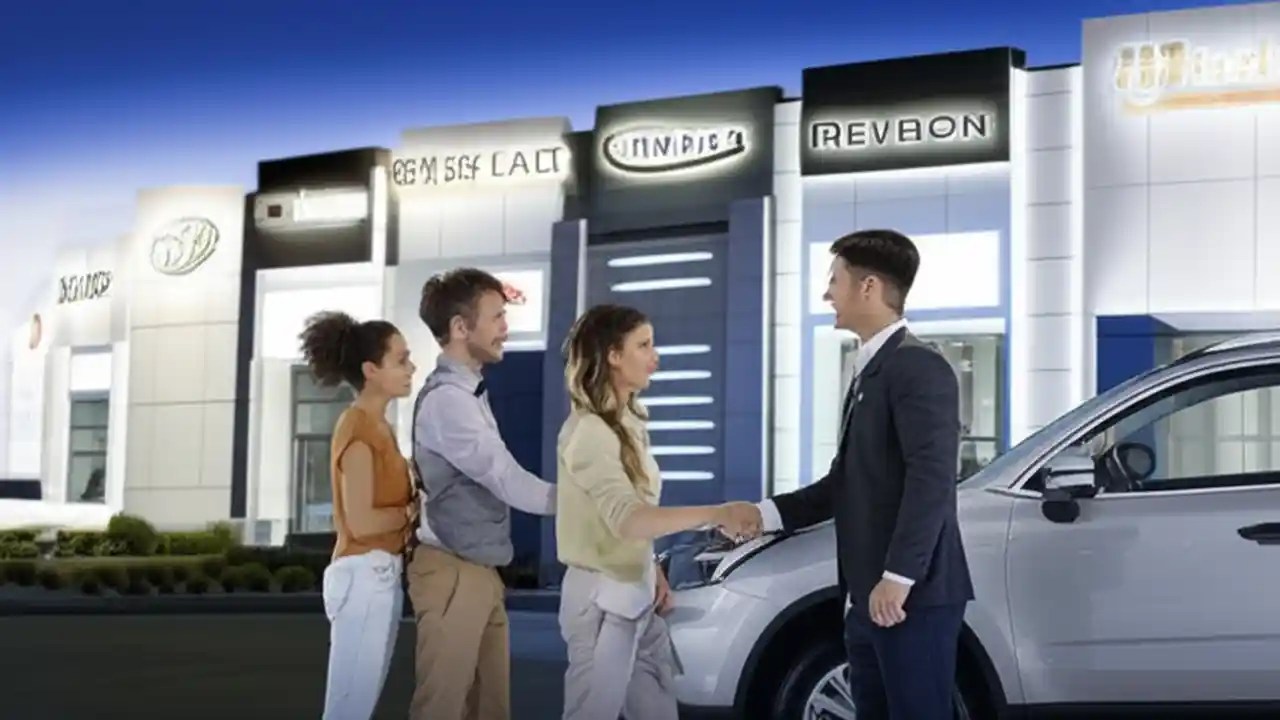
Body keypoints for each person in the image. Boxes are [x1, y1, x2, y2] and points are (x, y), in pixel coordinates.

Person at [734, 229, 974, 720]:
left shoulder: (918, 368)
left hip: (909, 598)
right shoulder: (870, 370)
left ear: (867, 287)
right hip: (867, 599)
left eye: (834, 280)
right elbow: (843, 485)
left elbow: (931, 481)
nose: (827, 293)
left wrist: (898, 577)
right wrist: (762, 514)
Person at [555, 304, 761, 720]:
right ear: (613, 355)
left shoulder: (628, 421)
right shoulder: (591, 432)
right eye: (644, 345)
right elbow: (627, 518)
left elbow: (630, 517)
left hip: (634, 591)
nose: (656, 356)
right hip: (600, 599)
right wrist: (717, 512)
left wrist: (651, 568)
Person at [406, 267, 558, 720]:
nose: (504, 328)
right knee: (443, 708)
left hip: (477, 571)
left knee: (489, 707)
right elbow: (505, 477)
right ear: (459, 328)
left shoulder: (468, 393)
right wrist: (582, 503)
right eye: (495, 317)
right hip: (452, 572)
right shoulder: (448, 401)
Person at [299, 311, 418, 720]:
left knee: (355, 708)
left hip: (379, 575)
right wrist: (412, 512)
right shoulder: (358, 427)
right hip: (365, 575)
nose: (411, 368)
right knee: (347, 710)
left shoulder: (379, 428)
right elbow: (362, 521)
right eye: (401, 360)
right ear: (371, 369)